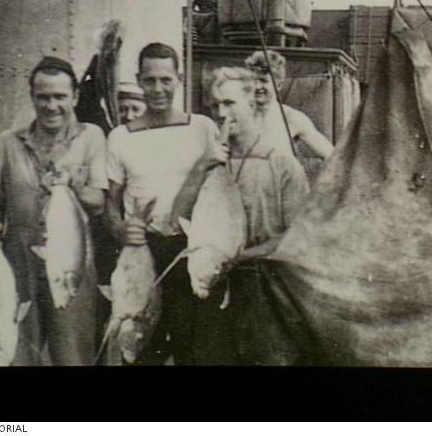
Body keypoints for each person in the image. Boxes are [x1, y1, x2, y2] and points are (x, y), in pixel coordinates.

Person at [173, 67, 311, 365]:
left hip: (267, 293)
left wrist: (242, 257)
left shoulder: (283, 165)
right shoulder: (206, 163)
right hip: (213, 287)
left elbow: (297, 236)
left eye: (229, 103)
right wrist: (201, 168)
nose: (221, 112)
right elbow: (177, 219)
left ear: (252, 104)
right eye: (214, 105)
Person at [106, 42, 224, 365]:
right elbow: (110, 205)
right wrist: (121, 230)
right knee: (142, 350)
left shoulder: (202, 128)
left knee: (196, 351)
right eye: (149, 80)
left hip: (192, 253)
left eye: (166, 80)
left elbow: (220, 194)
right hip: (144, 253)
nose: (158, 88)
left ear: (179, 79)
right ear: (139, 80)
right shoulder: (120, 137)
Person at [0, 56, 108, 366]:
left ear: (74, 97)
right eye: (43, 97)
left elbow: (98, 202)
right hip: (19, 265)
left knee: (72, 357)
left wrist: (72, 184)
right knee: (18, 355)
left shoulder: (91, 137)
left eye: (60, 97)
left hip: (71, 261)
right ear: (32, 97)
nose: (51, 106)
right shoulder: (7, 143)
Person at [244, 50, 334, 161]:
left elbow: (332, 157)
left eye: (263, 81)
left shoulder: (292, 118)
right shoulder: (238, 116)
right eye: (252, 80)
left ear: (279, 85)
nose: (257, 86)